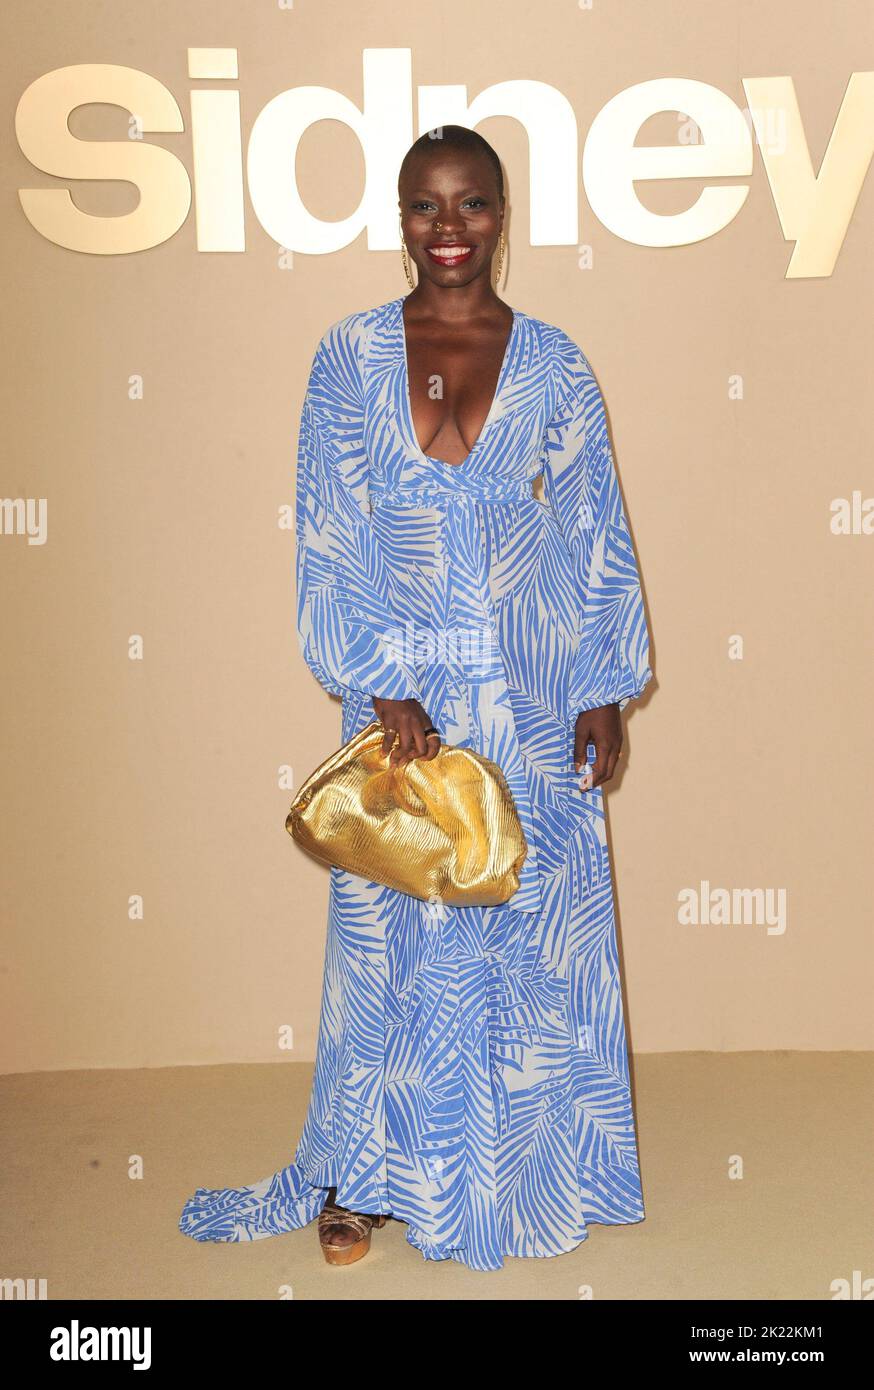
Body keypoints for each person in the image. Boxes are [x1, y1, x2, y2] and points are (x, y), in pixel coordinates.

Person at [178, 125, 653, 1273]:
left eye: (474, 204)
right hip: (405, 693)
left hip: (530, 691)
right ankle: (362, 1173)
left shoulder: (554, 359)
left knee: (530, 928)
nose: (450, 229)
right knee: (391, 937)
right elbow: (329, 526)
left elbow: (590, 527)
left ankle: (525, 1170)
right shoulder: (345, 357)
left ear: (503, 214)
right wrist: (377, 678)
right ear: (399, 221)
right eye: (426, 207)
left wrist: (601, 689)